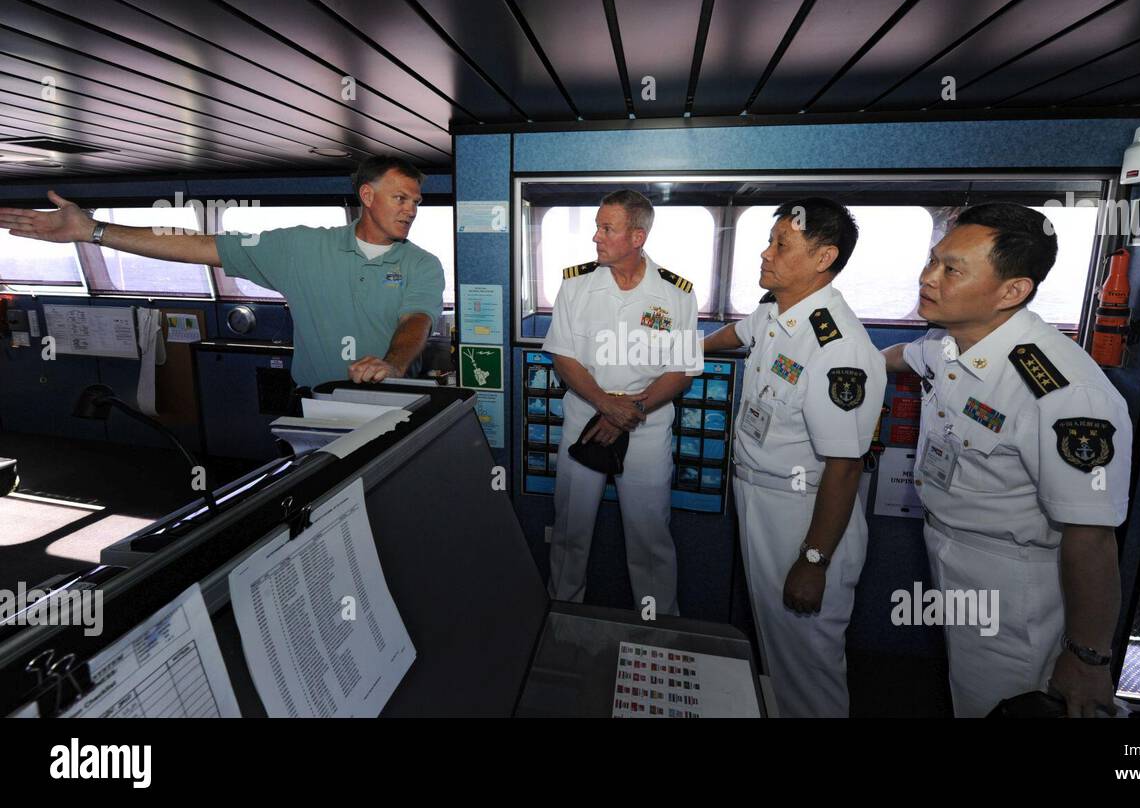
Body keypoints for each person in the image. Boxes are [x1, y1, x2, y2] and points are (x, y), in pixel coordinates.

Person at [881, 202, 1133, 718]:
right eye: (932, 261)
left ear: (1012, 291)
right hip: (947, 546)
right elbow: (902, 356)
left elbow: (1091, 537)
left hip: (1011, 582)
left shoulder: (1066, 394)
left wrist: (1087, 658)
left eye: (951, 269)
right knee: (965, 692)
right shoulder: (949, 344)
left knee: (1003, 702)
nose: (928, 278)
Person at [0, 155, 444, 388]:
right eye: (401, 198)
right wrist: (92, 230)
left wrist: (392, 364)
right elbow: (198, 245)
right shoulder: (301, 247)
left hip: (394, 402)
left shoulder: (422, 263)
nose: (411, 210)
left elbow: (417, 321)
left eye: (417, 203)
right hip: (315, 405)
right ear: (367, 195)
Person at [703, 197, 885, 717]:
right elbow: (735, 334)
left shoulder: (837, 347)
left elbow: (846, 466)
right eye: (770, 240)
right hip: (760, 496)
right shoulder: (776, 313)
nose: (765, 253)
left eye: (781, 244)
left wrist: (812, 561)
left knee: (807, 662)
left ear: (823, 257)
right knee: (778, 651)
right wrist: (685, 351)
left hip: (802, 513)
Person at [542, 190, 701, 615]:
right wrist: (605, 405)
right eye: (597, 226)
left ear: (637, 236)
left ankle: (658, 630)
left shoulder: (676, 293)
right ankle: (560, 620)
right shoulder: (575, 284)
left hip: (645, 428)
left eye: (606, 228)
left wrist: (633, 410)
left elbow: (682, 369)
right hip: (584, 420)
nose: (596, 237)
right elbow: (563, 355)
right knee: (571, 531)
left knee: (650, 539)